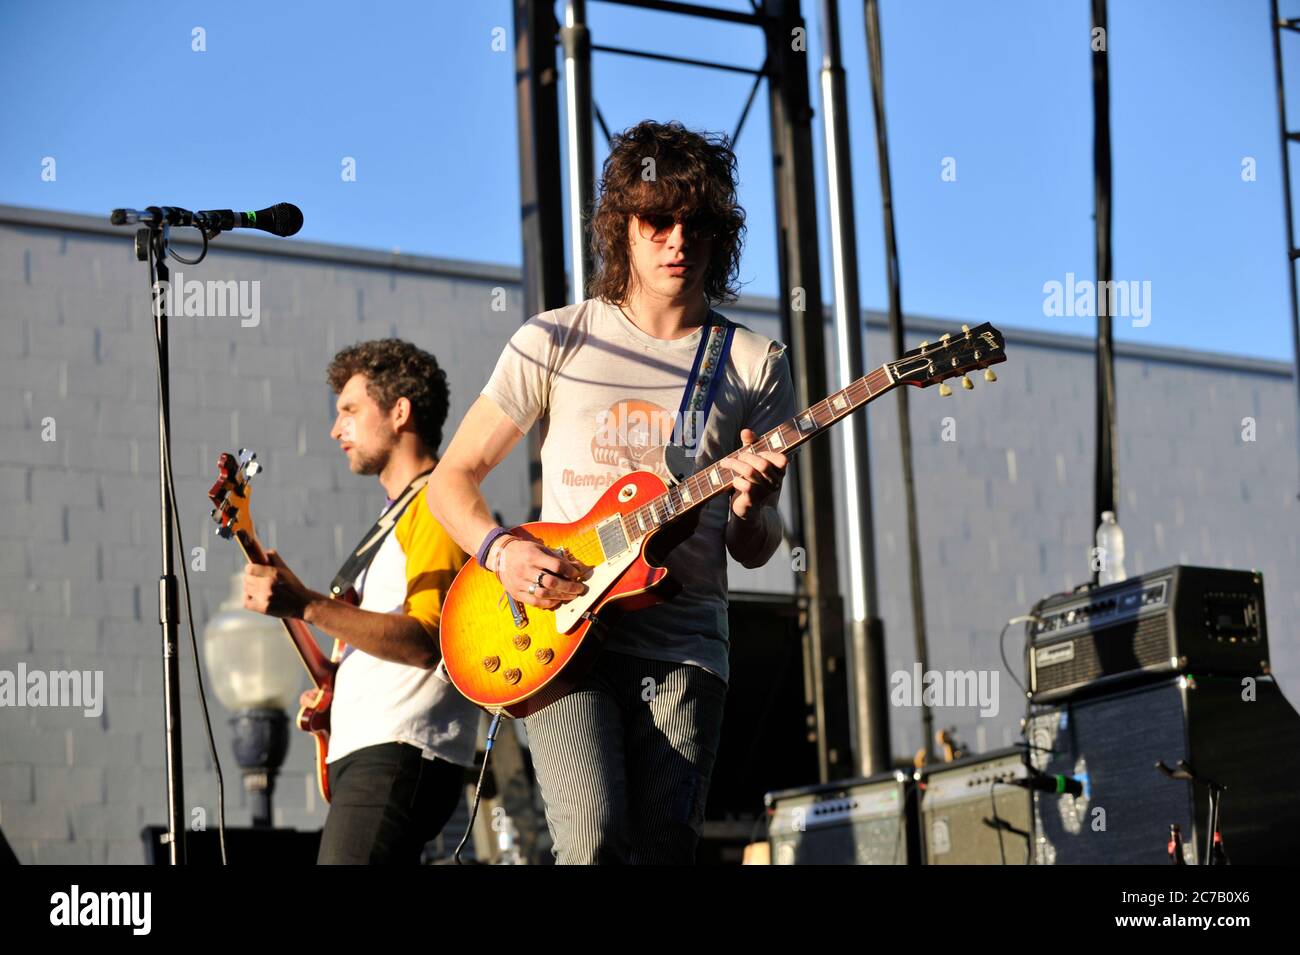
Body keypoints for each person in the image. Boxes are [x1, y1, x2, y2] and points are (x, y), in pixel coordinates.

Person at [428, 119, 796, 864]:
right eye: (656, 219)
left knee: (663, 851)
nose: (676, 240)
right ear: (619, 227)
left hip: (686, 641)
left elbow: (756, 551)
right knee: (592, 838)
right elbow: (450, 479)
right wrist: (502, 552)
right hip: (559, 630)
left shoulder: (754, 362)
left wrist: (754, 509)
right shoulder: (556, 339)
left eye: (696, 224)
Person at [242, 339, 481, 864]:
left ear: (400, 413)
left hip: (399, 751)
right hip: (377, 752)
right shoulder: (401, 516)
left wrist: (306, 604)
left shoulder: (437, 503)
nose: (336, 429)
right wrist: (336, 685)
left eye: (349, 411)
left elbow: (426, 641)